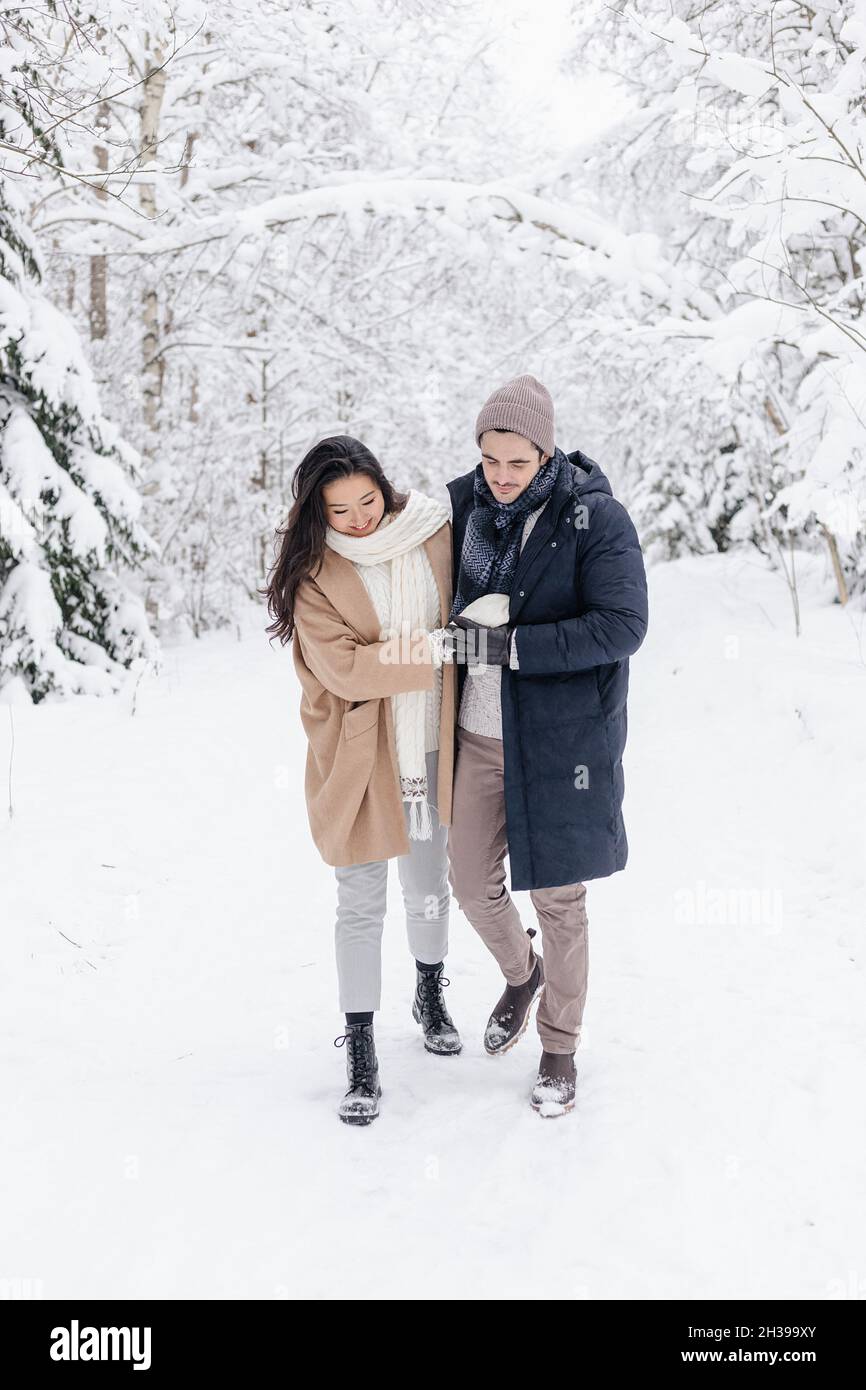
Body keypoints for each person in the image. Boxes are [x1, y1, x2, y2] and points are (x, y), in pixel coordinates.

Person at [444, 375, 648, 1117]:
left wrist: (515, 649)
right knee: (469, 882)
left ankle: (559, 1047)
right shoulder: (463, 508)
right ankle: (520, 972)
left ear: (546, 451)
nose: (500, 478)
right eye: (490, 461)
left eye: (517, 464)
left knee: (560, 899)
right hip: (476, 732)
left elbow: (622, 626)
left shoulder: (593, 518)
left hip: (561, 743)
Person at [265, 436, 460, 1126]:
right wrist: (435, 648)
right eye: (339, 510)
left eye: (368, 501)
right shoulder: (314, 574)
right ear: (317, 513)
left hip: (434, 741)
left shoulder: (432, 533)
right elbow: (346, 668)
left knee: (431, 887)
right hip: (360, 754)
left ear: (386, 486)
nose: (359, 520)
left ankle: (431, 992)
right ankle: (362, 1047)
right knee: (360, 900)